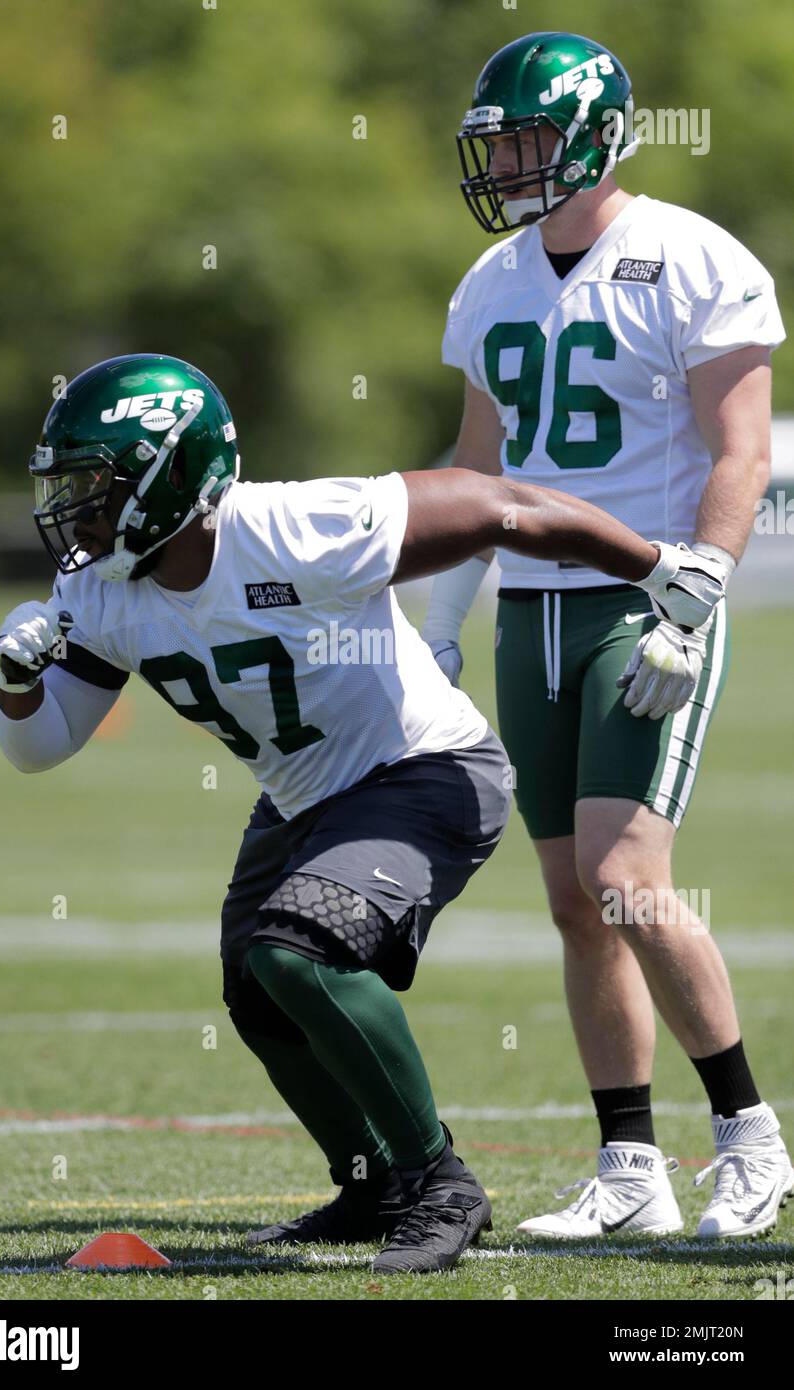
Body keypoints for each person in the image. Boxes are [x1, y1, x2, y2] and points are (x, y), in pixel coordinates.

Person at [0, 352, 725, 1269]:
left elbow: (500, 503)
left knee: (298, 952)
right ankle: (373, 1182)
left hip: (424, 769)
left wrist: (658, 568)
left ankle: (441, 1180)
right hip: (301, 797)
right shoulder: (100, 589)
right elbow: (40, 742)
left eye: (95, 486)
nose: (76, 511)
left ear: (167, 474)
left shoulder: (295, 527)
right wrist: (15, 683)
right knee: (259, 993)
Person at [422, 30, 792, 1238]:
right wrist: (436, 615)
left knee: (625, 882)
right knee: (574, 903)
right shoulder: (489, 281)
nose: (510, 164)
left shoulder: (691, 257)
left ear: (589, 136)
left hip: (644, 601)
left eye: (527, 138)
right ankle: (628, 1169)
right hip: (525, 612)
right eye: (500, 144)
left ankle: (749, 1137)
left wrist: (699, 588)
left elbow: (738, 447)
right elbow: (474, 471)